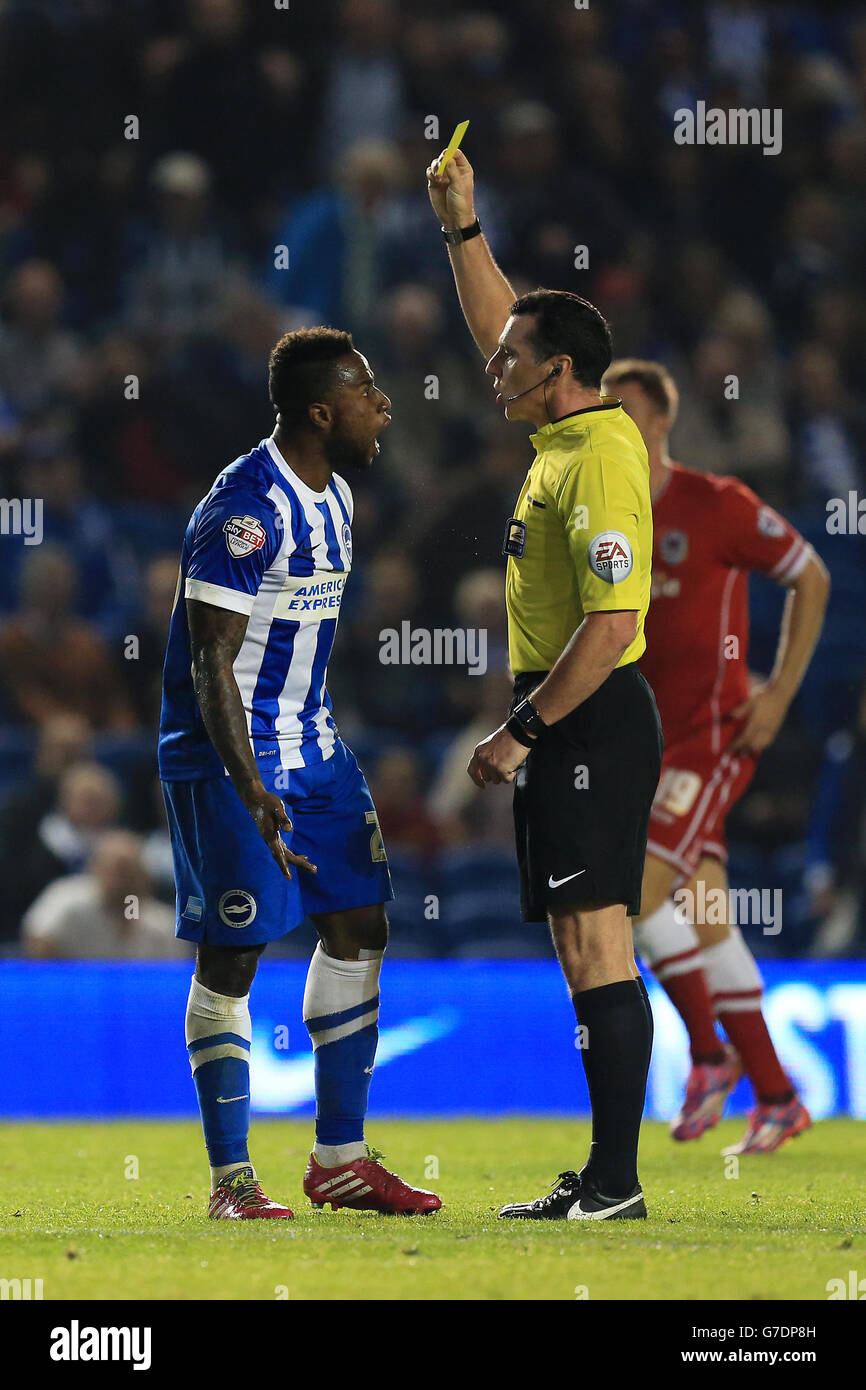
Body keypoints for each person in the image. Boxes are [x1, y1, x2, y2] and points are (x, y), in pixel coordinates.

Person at [158, 326, 441, 1220]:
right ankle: (231, 1182)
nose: (383, 404)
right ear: (322, 410)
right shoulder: (246, 507)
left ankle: (341, 1159)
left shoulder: (341, 500)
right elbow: (212, 663)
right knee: (235, 954)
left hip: (314, 749)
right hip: (228, 759)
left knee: (360, 925)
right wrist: (249, 785)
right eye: (367, 392)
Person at [427, 147, 662, 1220]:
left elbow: (613, 623)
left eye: (515, 355)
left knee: (600, 936)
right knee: (578, 941)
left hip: (588, 714)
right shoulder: (564, 430)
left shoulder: (600, 456)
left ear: (557, 367)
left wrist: (520, 729)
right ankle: (603, 1174)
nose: (493, 364)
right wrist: (461, 226)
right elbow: (495, 325)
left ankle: (615, 1181)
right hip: (569, 712)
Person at [604, 358, 829, 1155]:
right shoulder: (605, 519)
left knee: (628, 899)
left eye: (630, 411)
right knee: (703, 915)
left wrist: (779, 695)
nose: (617, 426)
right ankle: (777, 1095)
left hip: (710, 737)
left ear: (664, 421)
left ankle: (709, 1051)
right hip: (643, 745)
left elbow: (813, 575)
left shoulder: (716, 503)